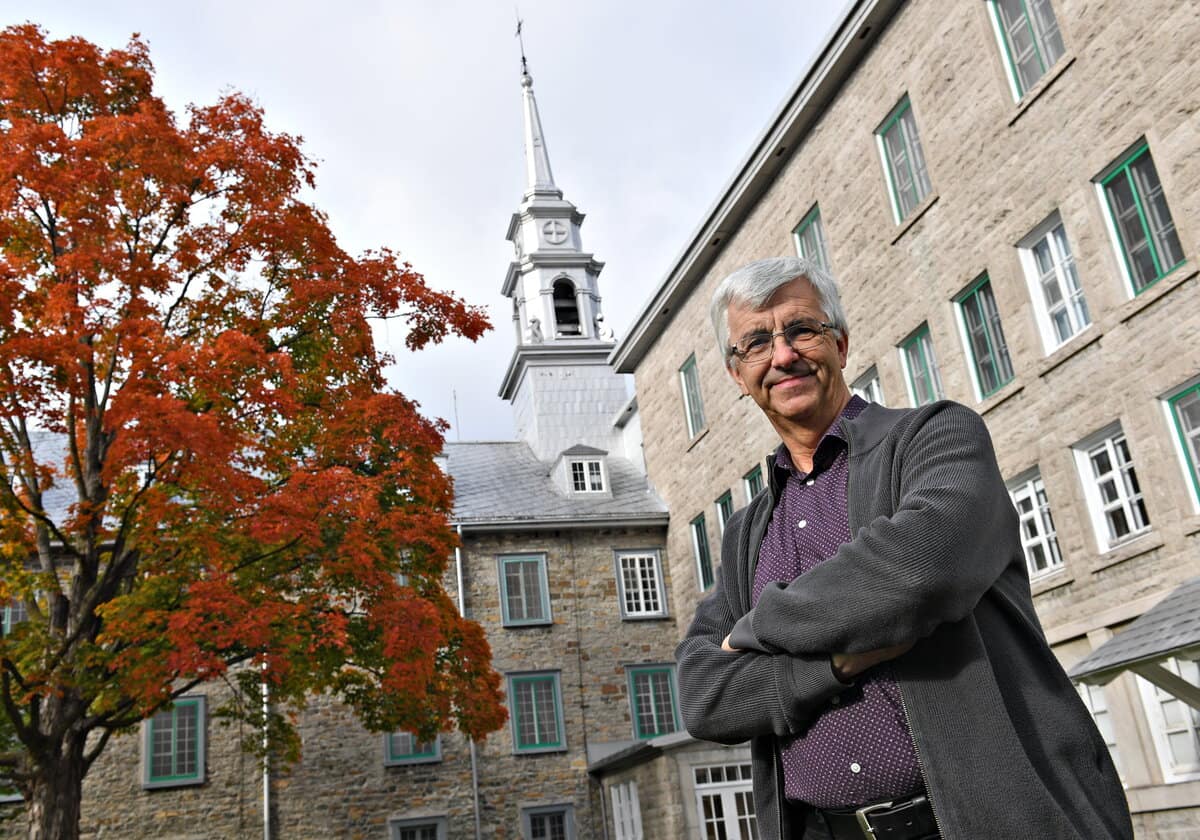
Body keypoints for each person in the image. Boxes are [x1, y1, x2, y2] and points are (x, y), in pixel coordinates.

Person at [675, 257, 1132, 840]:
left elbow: (920, 569)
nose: (783, 355)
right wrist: (835, 664)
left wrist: (757, 628)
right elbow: (702, 695)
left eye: (803, 330)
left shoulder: (937, 437)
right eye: (757, 342)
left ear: (841, 343)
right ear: (737, 376)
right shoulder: (746, 535)